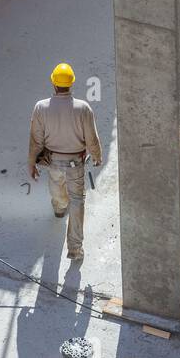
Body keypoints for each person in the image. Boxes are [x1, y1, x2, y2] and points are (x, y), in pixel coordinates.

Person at [29, 62, 103, 262]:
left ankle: (60, 208)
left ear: (53, 83)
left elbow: (36, 139)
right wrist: (97, 156)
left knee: (56, 188)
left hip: (53, 162)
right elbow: (92, 139)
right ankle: (75, 249)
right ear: (72, 84)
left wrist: (31, 163)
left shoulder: (41, 107)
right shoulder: (83, 108)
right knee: (77, 202)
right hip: (75, 165)